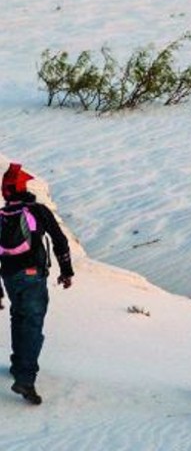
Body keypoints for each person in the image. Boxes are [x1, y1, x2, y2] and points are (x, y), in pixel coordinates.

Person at [0, 162, 73, 406]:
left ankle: (17, 365)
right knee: (32, 323)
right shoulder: (38, 210)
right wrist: (66, 272)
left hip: (8, 276)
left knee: (17, 316)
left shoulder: (2, 215)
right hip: (33, 275)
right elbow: (59, 240)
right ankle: (26, 378)